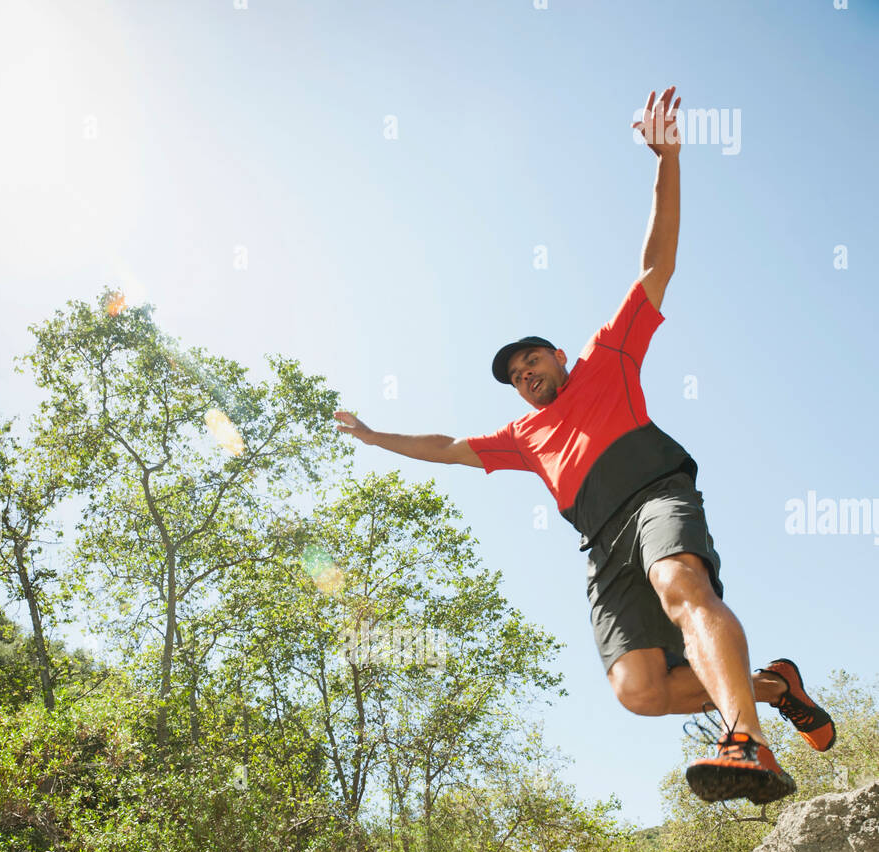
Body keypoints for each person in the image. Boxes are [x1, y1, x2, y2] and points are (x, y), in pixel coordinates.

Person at [335, 87, 835, 804]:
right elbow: (445, 445)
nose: (525, 376)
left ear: (560, 355)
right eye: (513, 377)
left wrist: (668, 162)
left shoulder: (608, 358)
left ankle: (747, 738)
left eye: (531, 361)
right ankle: (773, 687)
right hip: (602, 545)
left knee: (680, 587)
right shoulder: (520, 437)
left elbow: (654, 267)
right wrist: (375, 434)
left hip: (654, 495)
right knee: (639, 689)